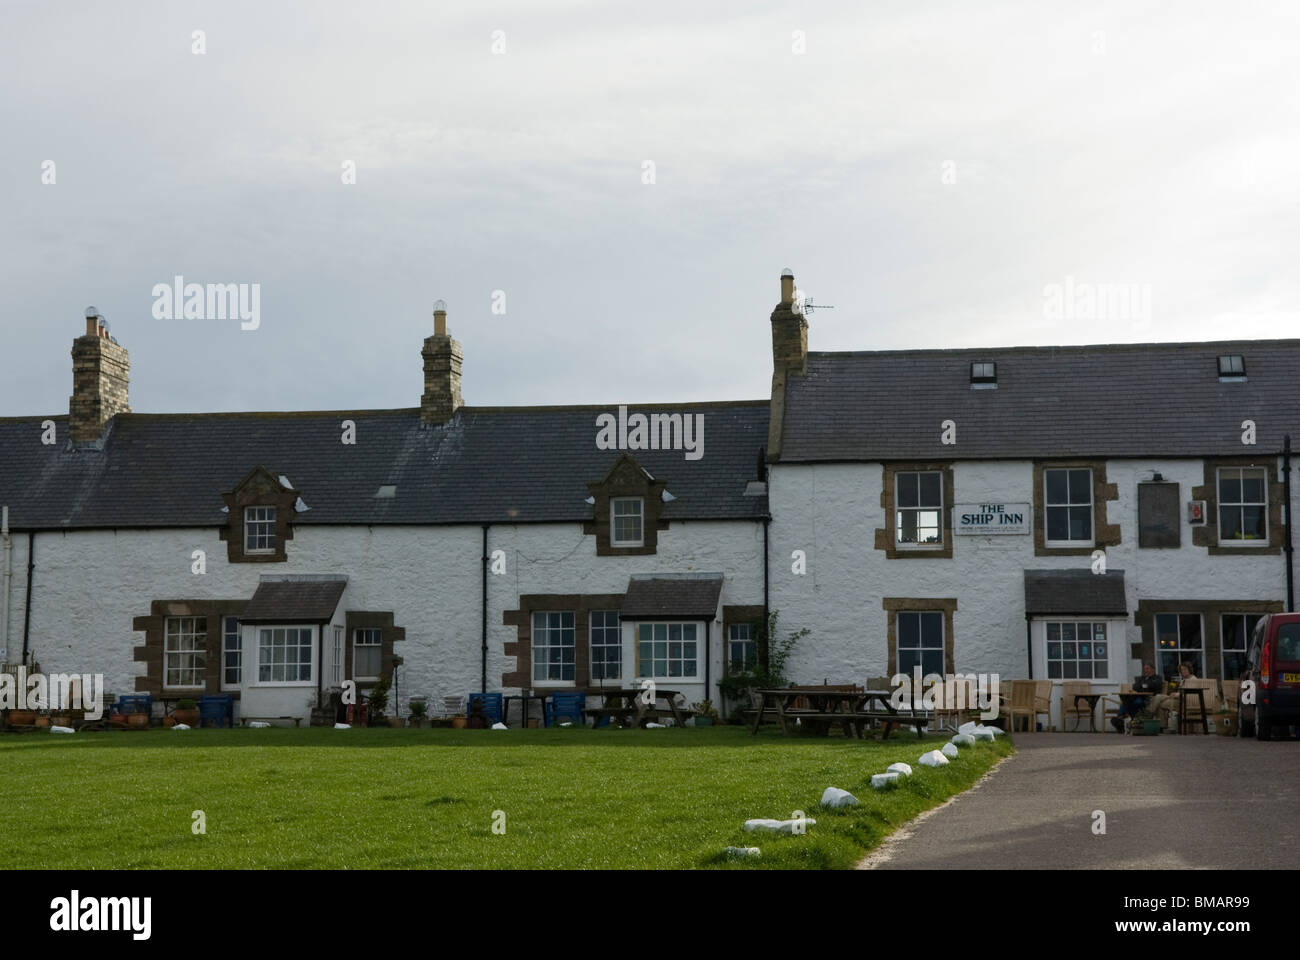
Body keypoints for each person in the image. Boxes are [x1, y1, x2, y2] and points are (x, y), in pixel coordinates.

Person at [1111, 663, 1163, 732]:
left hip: (1149, 698)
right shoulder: (1142, 678)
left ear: (1153, 669)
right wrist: (1144, 686)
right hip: (1139, 697)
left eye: (1147, 668)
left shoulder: (1157, 678)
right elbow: (1135, 686)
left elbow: (1154, 685)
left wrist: (1143, 686)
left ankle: (1120, 718)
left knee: (1132, 703)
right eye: (1145, 669)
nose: (1146, 670)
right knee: (1127, 701)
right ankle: (1123, 719)